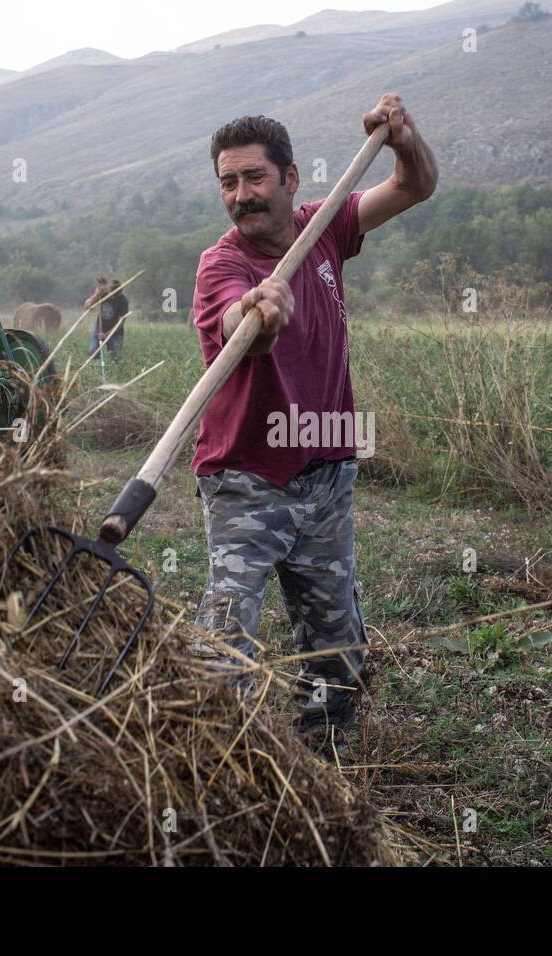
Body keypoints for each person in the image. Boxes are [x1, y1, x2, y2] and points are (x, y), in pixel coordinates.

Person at [189, 94, 437, 757]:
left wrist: (403, 139)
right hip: (247, 477)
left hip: (325, 473)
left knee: (334, 638)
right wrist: (258, 313)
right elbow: (239, 333)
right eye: (228, 182)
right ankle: (215, 759)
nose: (241, 196)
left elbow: (416, 185)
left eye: (254, 178)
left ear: (290, 179)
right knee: (227, 629)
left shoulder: (323, 226)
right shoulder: (223, 266)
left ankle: (323, 766)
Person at [86, 278, 128, 363]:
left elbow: (120, 323)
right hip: (100, 328)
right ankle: (98, 367)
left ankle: (114, 373)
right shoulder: (103, 295)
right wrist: (96, 295)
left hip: (116, 332)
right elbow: (87, 306)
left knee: (116, 358)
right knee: (93, 352)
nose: (112, 293)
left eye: (116, 291)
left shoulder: (123, 301)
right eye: (110, 289)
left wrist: (106, 335)